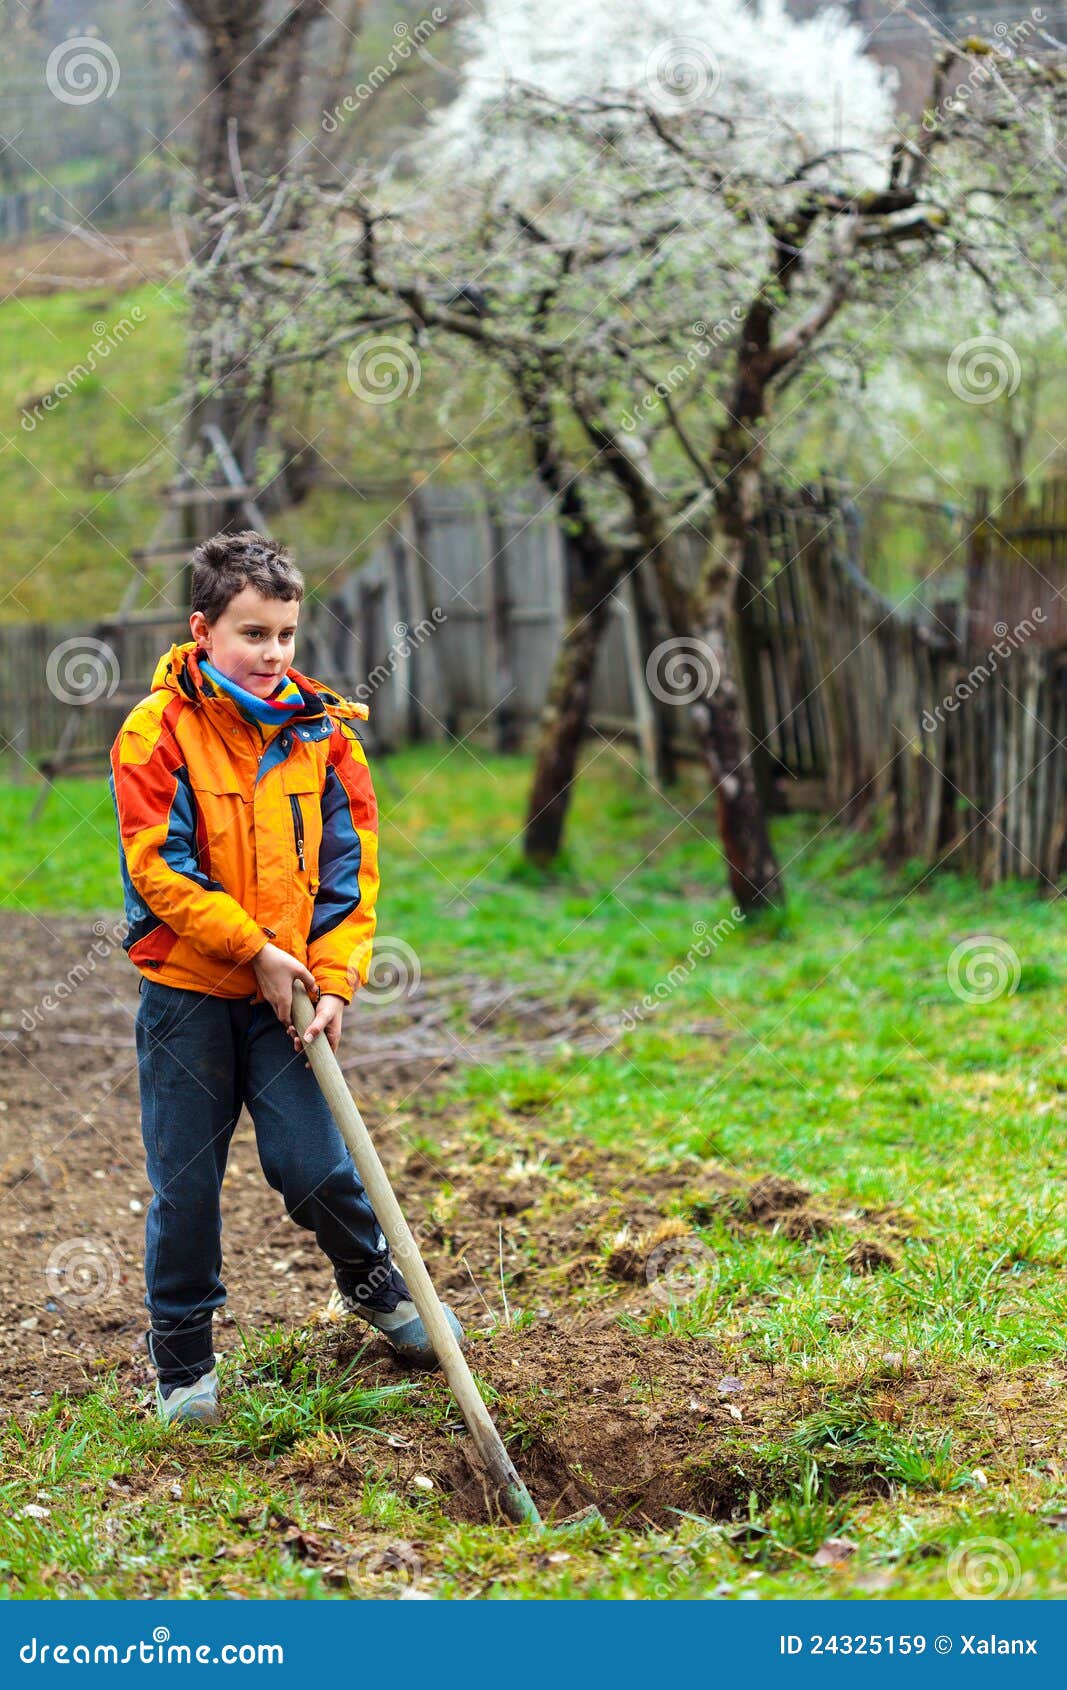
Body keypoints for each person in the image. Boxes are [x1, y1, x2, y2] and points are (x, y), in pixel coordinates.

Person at [109, 530, 463, 1426]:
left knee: (313, 1166)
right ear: (202, 629)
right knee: (185, 1185)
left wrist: (335, 979)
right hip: (188, 997)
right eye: (252, 634)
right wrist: (255, 951)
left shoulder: (326, 739)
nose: (273, 655)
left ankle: (377, 1287)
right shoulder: (155, 733)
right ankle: (184, 1364)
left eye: (286, 636)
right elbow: (160, 869)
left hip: (291, 1002)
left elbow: (352, 876)